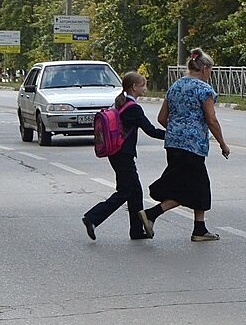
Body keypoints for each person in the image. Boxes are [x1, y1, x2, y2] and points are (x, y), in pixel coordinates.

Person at [141, 48, 231, 241]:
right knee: (188, 187)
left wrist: (176, 130)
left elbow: (162, 118)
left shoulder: (175, 86)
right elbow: (211, 120)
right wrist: (223, 144)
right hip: (193, 147)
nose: (210, 75)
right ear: (205, 68)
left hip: (173, 144)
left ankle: (199, 229)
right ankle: (151, 214)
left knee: (198, 186)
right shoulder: (204, 89)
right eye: (211, 71)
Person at [82, 71, 166, 241]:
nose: (145, 88)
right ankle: (93, 217)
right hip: (123, 154)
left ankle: (136, 231)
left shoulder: (120, 103)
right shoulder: (133, 108)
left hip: (116, 153)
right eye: (143, 85)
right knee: (125, 191)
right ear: (134, 87)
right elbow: (150, 130)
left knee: (135, 191)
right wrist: (173, 135)